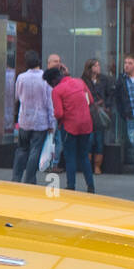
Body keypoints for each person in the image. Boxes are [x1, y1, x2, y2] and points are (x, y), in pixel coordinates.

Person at [51, 63, 94, 192]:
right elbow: (90, 101)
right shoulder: (80, 82)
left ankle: (71, 186)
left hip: (70, 126)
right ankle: (90, 185)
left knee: (70, 156)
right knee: (84, 156)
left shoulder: (57, 90)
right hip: (86, 124)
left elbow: (59, 113)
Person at [12, 50, 53, 184]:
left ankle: (16, 178)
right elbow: (49, 102)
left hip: (24, 119)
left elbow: (17, 96)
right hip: (40, 121)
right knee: (35, 151)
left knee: (21, 149)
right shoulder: (45, 78)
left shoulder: (21, 77)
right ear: (39, 61)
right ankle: (29, 179)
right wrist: (52, 124)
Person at [115, 55, 134, 175]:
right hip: (130, 115)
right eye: (125, 63)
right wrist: (123, 113)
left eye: (130, 63)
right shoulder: (122, 79)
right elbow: (118, 98)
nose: (126, 65)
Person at [82, 58, 111, 175]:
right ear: (90, 68)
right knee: (89, 140)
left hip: (100, 112)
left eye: (98, 65)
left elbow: (109, 94)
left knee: (99, 139)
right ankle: (87, 166)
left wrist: (107, 105)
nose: (98, 68)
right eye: (95, 66)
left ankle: (97, 166)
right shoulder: (84, 80)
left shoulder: (104, 79)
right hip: (88, 112)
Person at [46, 53, 66, 172]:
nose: (57, 63)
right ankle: (47, 163)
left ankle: (54, 163)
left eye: (59, 61)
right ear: (48, 64)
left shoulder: (61, 78)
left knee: (58, 141)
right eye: (54, 61)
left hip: (57, 114)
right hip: (48, 115)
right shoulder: (45, 78)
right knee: (49, 141)